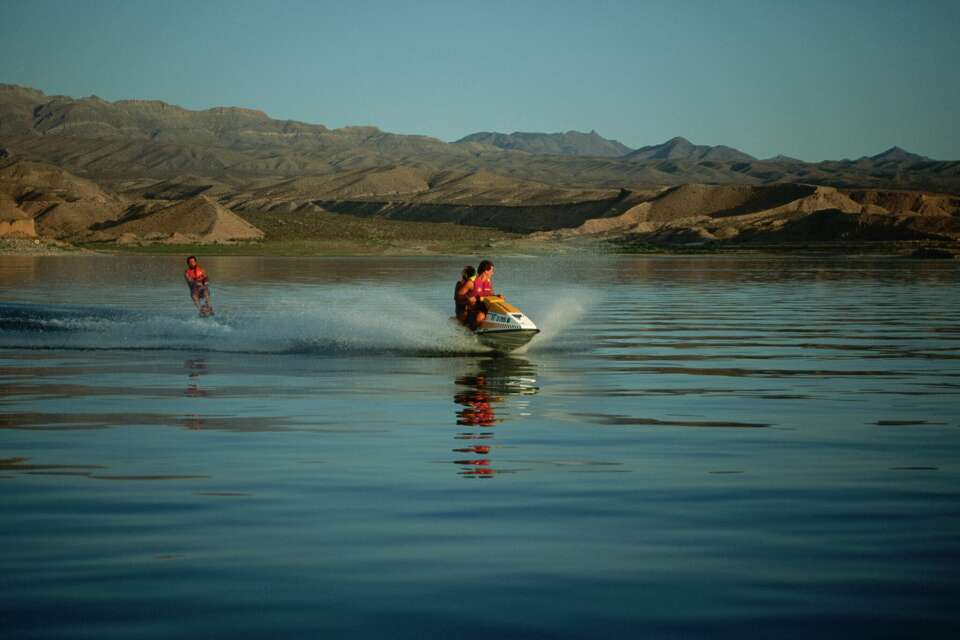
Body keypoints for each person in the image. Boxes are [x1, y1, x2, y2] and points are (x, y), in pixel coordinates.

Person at [468, 260, 499, 330]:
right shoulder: (471, 282)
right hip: (474, 310)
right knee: (480, 316)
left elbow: (490, 295)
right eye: (492, 271)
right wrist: (468, 298)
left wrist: (497, 296)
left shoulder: (489, 282)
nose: (493, 273)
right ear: (486, 271)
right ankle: (472, 334)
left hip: (486, 308)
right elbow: (459, 296)